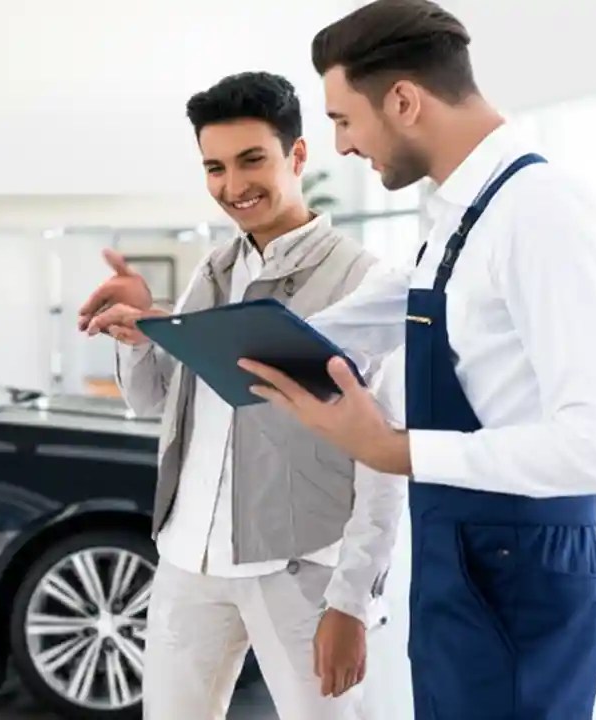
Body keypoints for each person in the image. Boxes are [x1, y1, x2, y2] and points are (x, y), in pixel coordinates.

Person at [237, 1, 596, 718]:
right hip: (459, 554)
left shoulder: (543, 210)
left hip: (523, 568)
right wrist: (186, 337)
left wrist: (396, 451)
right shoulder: (458, 215)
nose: (343, 145)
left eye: (343, 120)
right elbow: (365, 318)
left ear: (403, 100)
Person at [77, 71, 407, 720]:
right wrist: (140, 333)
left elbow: (384, 456)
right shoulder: (214, 271)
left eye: (252, 159)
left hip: (300, 569)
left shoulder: (365, 280)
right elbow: (156, 405)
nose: (233, 186)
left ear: (298, 155)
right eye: (215, 167)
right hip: (188, 557)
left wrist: (353, 600)